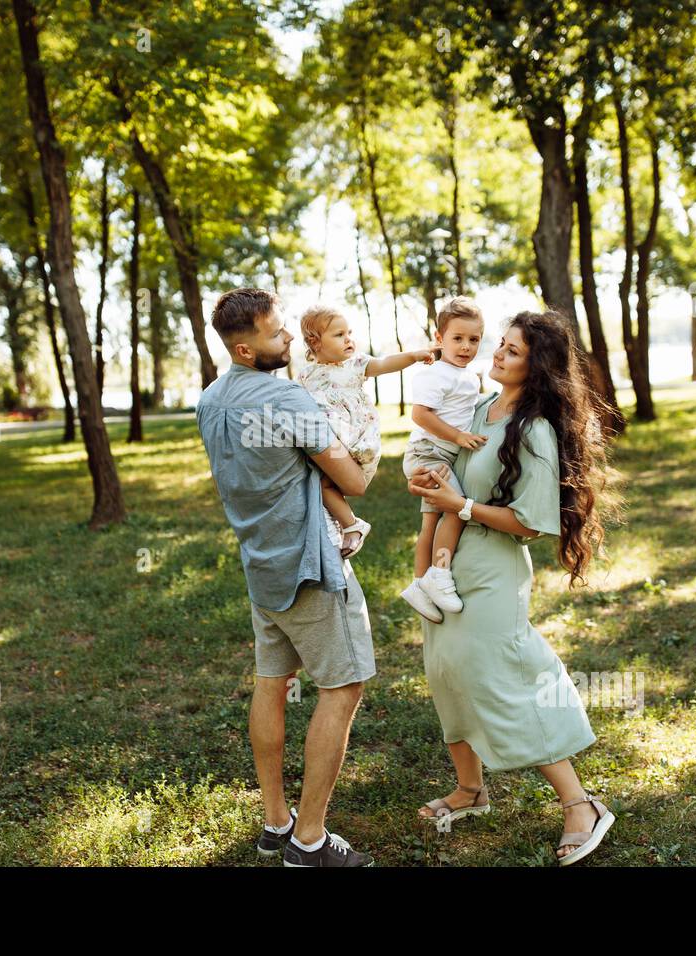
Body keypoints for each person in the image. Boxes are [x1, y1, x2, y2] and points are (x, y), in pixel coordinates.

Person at [408, 309, 620, 866]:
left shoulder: (536, 430)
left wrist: (464, 506)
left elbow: (532, 520)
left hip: (492, 569)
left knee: (505, 675)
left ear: (538, 365)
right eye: (499, 345)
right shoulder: (481, 407)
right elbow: (454, 473)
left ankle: (581, 805)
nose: (497, 354)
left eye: (511, 350)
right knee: (447, 670)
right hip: (447, 566)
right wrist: (431, 482)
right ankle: (470, 788)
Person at [195, 288, 375, 867]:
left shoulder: (210, 401)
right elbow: (354, 481)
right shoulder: (288, 400)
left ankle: (277, 822)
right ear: (245, 349)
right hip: (310, 565)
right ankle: (310, 841)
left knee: (272, 682)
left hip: (261, 567)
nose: (291, 338)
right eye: (277, 335)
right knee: (342, 688)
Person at [296, 304, 436, 557]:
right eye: (339, 335)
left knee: (327, 482)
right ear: (314, 342)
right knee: (321, 485)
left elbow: (384, 363)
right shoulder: (306, 376)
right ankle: (351, 525)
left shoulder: (355, 364)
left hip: (356, 439)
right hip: (328, 441)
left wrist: (413, 356)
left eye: (349, 332)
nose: (348, 339)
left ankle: (348, 525)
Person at [399, 297, 485, 622]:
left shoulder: (467, 376)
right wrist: (457, 437)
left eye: (473, 339)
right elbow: (420, 415)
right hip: (429, 452)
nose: (465, 346)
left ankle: (419, 584)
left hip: (438, 454)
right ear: (439, 339)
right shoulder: (437, 373)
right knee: (458, 509)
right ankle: (440, 574)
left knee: (430, 522)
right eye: (457, 338)